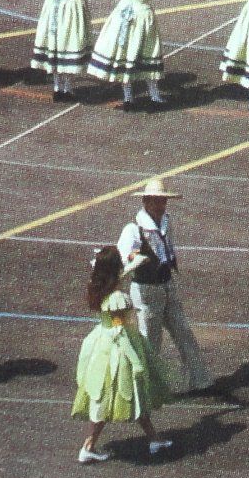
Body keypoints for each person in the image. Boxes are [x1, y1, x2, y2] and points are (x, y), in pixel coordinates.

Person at [74, 247, 173, 462]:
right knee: (119, 396)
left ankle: (153, 438)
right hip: (118, 352)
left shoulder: (100, 285)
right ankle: (88, 446)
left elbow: (120, 275)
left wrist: (136, 263)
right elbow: (120, 333)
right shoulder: (117, 297)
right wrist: (136, 362)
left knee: (126, 397)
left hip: (102, 345)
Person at [116, 177, 210, 395]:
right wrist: (134, 256)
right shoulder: (133, 228)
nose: (161, 205)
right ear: (146, 202)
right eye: (156, 201)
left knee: (183, 332)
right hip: (146, 290)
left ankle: (200, 380)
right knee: (150, 341)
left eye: (163, 201)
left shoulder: (165, 222)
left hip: (166, 284)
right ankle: (144, 390)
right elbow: (123, 256)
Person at [89, 0, 190, 107]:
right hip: (139, 16)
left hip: (124, 15)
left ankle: (133, 96)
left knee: (129, 51)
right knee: (143, 52)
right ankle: (148, 94)